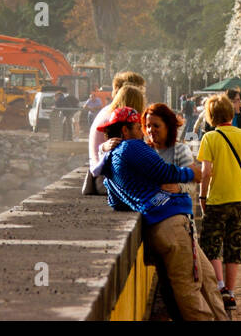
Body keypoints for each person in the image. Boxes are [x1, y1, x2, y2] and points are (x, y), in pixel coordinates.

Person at [92, 107, 228, 321]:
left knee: (206, 278)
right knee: (189, 288)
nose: (144, 131)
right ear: (126, 131)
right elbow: (163, 172)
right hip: (172, 223)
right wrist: (192, 173)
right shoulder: (133, 147)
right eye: (140, 127)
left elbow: (116, 202)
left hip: (161, 227)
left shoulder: (109, 164)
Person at [196, 94, 241, 311]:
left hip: (217, 198)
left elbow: (206, 172)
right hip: (239, 198)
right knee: (235, 244)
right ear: (231, 114)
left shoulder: (210, 138)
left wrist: (202, 197)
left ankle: (220, 286)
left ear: (211, 116)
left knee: (212, 245)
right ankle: (231, 293)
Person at [88, 72, 146, 166]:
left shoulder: (108, 111)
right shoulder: (118, 119)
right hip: (107, 175)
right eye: (141, 93)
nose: (143, 98)